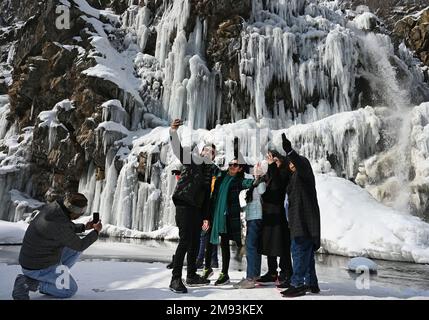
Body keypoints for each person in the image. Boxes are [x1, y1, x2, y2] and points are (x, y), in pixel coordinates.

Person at [12, 192, 102, 300]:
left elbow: (64, 226)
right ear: (74, 210)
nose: (81, 215)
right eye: (81, 212)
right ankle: (30, 283)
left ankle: (53, 277)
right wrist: (96, 231)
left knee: (74, 250)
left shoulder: (55, 208)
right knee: (69, 290)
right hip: (36, 267)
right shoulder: (60, 224)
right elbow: (80, 244)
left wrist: (83, 227)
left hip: (35, 258)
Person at [168, 119, 215, 293]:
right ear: (201, 152)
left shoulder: (209, 172)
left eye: (212, 152)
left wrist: (205, 217)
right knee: (185, 240)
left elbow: (207, 197)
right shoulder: (193, 159)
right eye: (207, 150)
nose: (209, 153)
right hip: (184, 203)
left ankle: (191, 275)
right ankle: (175, 279)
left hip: (196, 208)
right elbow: (178, 150)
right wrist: (173, 131)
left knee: (195, 242)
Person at [280, 133, 321, 298]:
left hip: (304, 222)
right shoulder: (294, 179)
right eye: (289, 163)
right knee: (307, 254)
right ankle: (312, 283)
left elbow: (300, 163)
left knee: (298, 252)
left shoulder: (304, 173)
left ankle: (297, 284)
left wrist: (290, 151)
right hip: (300, 222)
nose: (290, 165)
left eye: (292, 163)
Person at [202, 157, 249, 286]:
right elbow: (211, 166)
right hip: (214, 213)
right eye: (230, 164)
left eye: (235, 165)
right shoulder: (221, 175)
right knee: (209, 242)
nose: (232, 166)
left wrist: (260, 177)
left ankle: (224, 273)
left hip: (226, 216)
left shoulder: (238, 181)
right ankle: (207, 269)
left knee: (224, 244)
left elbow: (249, 183)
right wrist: (204, 157)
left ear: (240, 168)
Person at [257, 150, 293, 287]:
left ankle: (286, 271)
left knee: (281, 244)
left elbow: (278, 186)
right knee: (268, 244)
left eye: (276, 160)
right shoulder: (270, 174)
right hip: (268, 213)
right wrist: (257, 176)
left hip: (279, 214)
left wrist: (272, 166)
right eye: (272, 160)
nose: (273, 162)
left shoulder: (284, 173)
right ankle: (272, 272)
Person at [234, 162, 266, 289]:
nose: (255, 171)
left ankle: (250, 277)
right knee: (254, 247)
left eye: (258, 169)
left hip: (256, 217)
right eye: (255, 169)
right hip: (252, 216)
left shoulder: (261, 182)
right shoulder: (255, 182)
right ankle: (255, 275)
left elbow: (263, 191)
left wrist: (259, 178)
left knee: (251, 246)